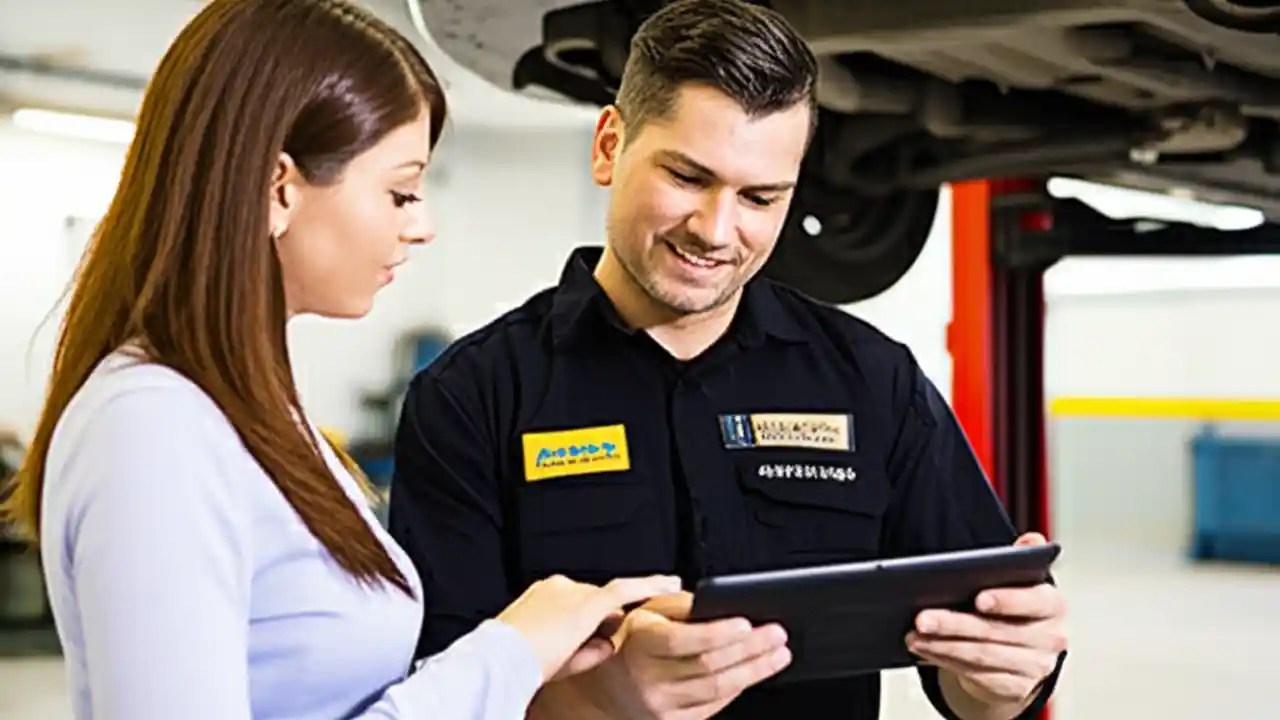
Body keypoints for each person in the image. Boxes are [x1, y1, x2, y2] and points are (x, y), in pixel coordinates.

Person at [386, 0, 1069, 718]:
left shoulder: (873, 381)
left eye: (759, 197)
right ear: (609, 146)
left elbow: (979, 690)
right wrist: (597, 703)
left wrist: (1003, 678)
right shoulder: (472, 396)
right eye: (686, 176)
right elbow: (436, 692)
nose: (717, 230)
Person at [0, 1, 681, 718]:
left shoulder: (249, 416)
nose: (422, 226)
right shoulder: (154, 430)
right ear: (279, 188)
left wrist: (531, 665)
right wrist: (508, 652)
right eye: (401, 191)